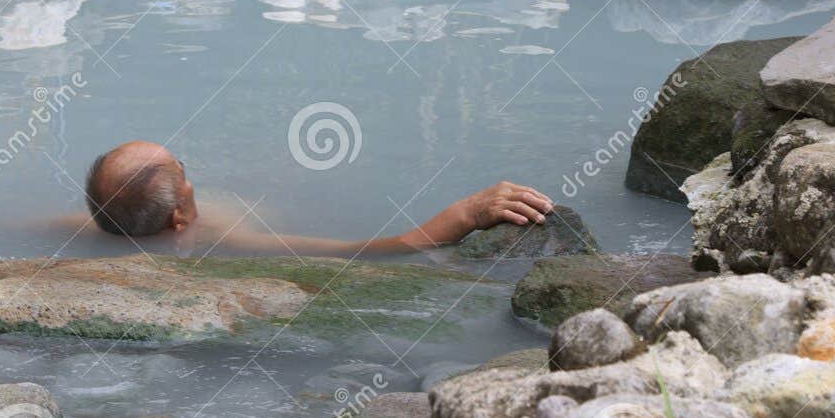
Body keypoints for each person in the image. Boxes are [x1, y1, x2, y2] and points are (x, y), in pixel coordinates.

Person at [81, 140, 554, 256]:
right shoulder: (226, 239)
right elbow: (369, 253)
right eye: (183, 171)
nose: (189, 171)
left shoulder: (105, 222)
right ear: (177, 219)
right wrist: (468, 211)